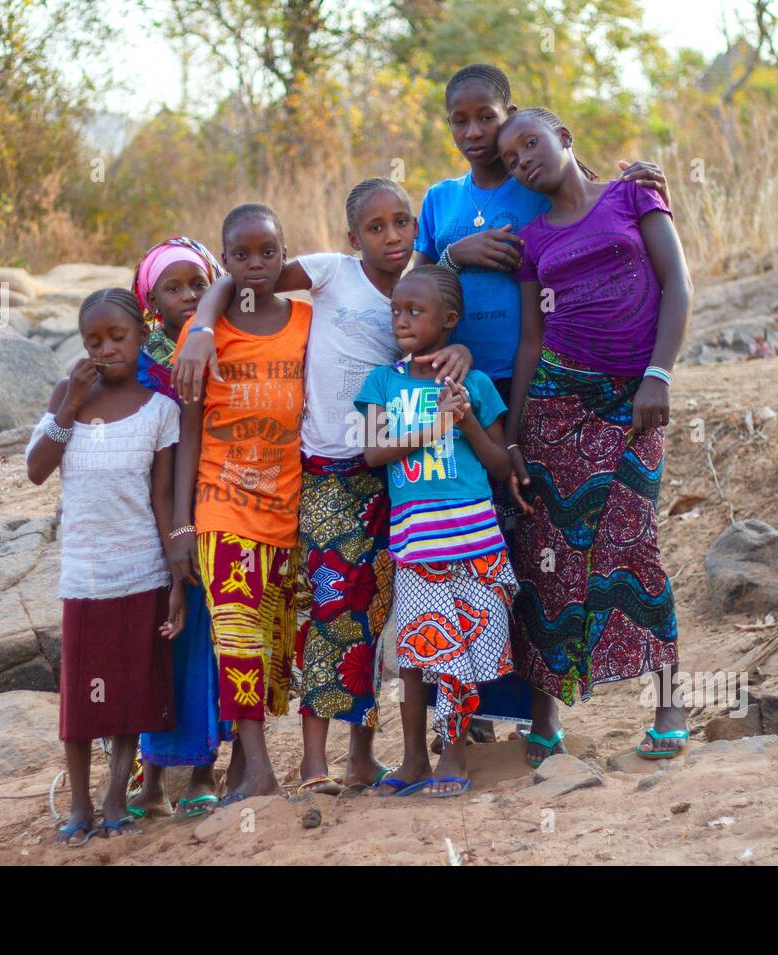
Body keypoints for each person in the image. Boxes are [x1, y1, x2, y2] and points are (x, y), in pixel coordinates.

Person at [172, 181, 471, 795]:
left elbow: (435, 337)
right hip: (328, 471)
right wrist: (202, 320)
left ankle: (362, 756)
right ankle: (312, 763)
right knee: (331, 610)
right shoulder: (332, 276)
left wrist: (461, 346)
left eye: (401, 223)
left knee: (374, 614)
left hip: (392, 473)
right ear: (351, 237)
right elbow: (252, 275)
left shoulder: (418, 291)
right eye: (376, 227)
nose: (391, 236)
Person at [412, 63, 671, 751]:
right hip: (494, 401)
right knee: (510, 554)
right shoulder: (453, 205)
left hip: (590, 393)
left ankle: (637, 709)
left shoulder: (588, 195)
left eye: (490, 121)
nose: (477, 134)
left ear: (531, 123)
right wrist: (449, 250)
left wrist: (659, 374)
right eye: (459, 121)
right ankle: (495, 716)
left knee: (610, 541)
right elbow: (418, 290)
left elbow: (666, 274)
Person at [497, 107, 693, 764]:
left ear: (565, 136)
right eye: (513, 157)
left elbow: (678, 286)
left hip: (634, 400)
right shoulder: (530, 241)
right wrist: (516, 435)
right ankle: (544, 718)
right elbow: (530, 340)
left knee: (633, 543)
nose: (524, 158)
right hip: (556, 408)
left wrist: (659, 375)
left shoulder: (633, 194)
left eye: (531, 142)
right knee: (545, 559)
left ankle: (669, 703)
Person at [26, 287, 186, 845]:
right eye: (93, 340)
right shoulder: (67, 396)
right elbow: (36, 470)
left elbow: (164, 498)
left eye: (117, 337)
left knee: (129, 693)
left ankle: (118, 796)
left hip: (140, 570)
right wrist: (68, 405)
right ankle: (79, 802)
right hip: (84, 574)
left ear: (142, 336)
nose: (106, 349)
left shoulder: (161, 410)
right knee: (80, 698)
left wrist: (176, 576)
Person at [355, 265, 518, 797]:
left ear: (448, 320)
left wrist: (466, 419)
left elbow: (499, 465)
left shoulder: (476, 382)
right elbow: (373, 451)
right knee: (418, 656)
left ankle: (452, 751)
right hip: (417, 543)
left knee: (463, 652)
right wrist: (435, 427)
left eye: (414, 311)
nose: (400, 319)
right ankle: (412, 759)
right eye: (396, 310)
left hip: (473, 538)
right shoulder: (382, 381)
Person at [168, 203, 310, 803]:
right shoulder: (203, 336)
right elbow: (189, 430)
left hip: (289, 503)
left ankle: (256, 766)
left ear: (285, 253)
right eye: (242, 255)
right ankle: (258, 771)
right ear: (223, 260)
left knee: (279, 642)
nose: (256, 265)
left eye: (269, 252)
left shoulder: (307, 318)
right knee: (236, 636)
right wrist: (180, 525)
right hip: (221, 505)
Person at [126, 237, 233, 820]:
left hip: (213, 513)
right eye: (174, 287)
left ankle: (205, 768)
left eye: (198, 283)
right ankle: (150, 777)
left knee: (206, 644)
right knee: (157, 644)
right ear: (150, 301)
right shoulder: (137, 367)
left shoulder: (222, 344)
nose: (188, 295)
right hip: (148, 523)